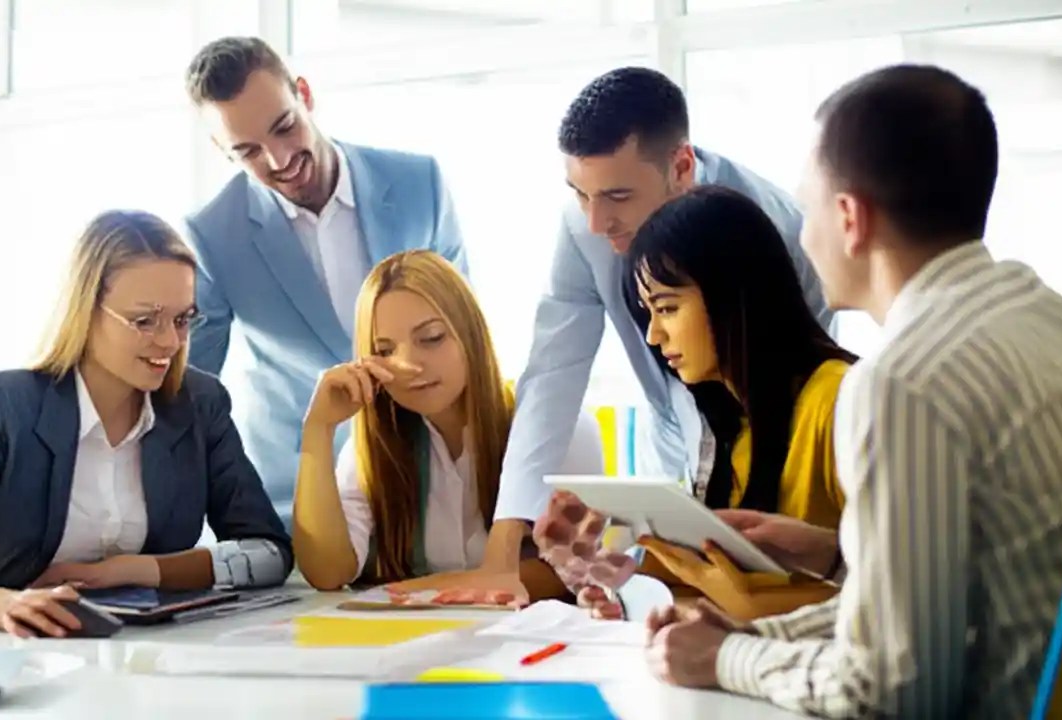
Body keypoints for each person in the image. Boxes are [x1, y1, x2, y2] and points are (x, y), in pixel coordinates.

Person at [645, 64, 1062, 719]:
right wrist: (841, 556)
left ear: (849, 218)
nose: (802, 234)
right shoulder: (1050, 317)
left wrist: (722, 659)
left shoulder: (902, 379)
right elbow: (978, 588)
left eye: (806, 206)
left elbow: (892, 690)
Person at [390, 67, 831, 595]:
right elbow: (552, 375)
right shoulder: (586, 224)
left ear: (682, 166)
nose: (597, 223)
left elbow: (792, 396)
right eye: (580, 194)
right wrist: (502, 553)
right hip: (674, 459)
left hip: (772, 454)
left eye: (618, 196)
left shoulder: (775, 232)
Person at [0, 211, 293, 638]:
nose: (171, 342)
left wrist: (138, 570)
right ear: (86, 310)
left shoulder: (199, 403)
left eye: (182, 319)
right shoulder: (4, 405)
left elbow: (270, 552)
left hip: (144, 655)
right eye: (145, 321)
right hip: (8, 648)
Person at [182, 37, 467, 526]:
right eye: (248, 151)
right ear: (220, 149)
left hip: (430, 481)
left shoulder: (421, 182)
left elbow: (465, 333)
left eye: (285, 127)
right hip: (303, 499)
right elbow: (190, 396)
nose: (278, 160)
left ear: (305, 94)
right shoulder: (210, 235)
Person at [537, 185, 856, 619]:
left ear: (732, 293)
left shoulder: (841, 400)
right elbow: (725, 589)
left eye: (666, 308)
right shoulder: (726, 424)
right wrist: (626, 599)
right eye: (648, 313)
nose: (653, 336)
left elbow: (890, 592)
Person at [293, 250, 601, 601]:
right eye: (385, 350)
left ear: (470, 334)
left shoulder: (561, 429)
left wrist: (420, 590)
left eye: (432, 338)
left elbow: (576, 569)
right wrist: (318, 429)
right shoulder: (372, 449)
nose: (409, 364)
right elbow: (328, 572)